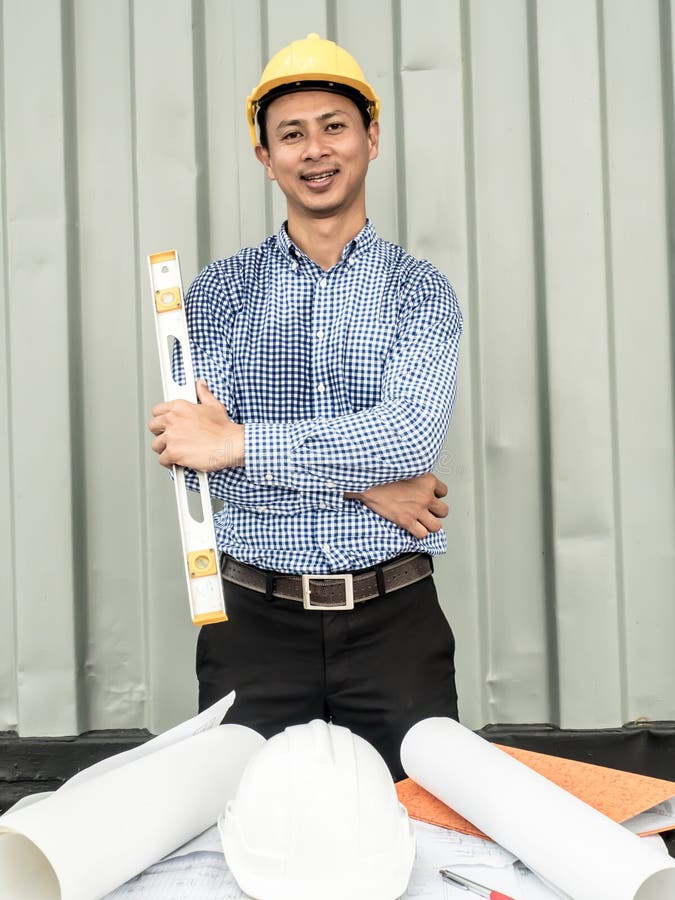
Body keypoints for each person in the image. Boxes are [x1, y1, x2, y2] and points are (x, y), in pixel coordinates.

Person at [148, 33, 462, 780]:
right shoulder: (219, 296)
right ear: (265, 155)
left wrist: (239, 442)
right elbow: (202, 465)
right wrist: (369, 480)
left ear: (370, 138)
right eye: (291, 133)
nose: (314, 149)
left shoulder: (419, 291)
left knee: (420, 830)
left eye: (333, 126)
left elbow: (409, 436)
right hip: (252, 628)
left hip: (396, 625)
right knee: (242, 837)